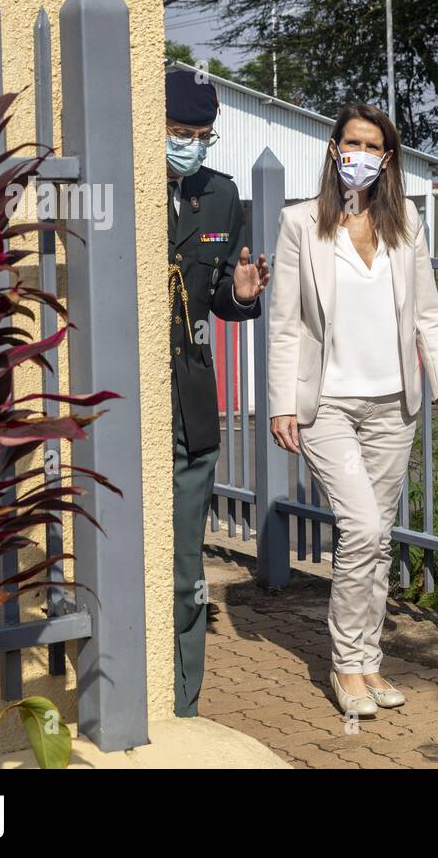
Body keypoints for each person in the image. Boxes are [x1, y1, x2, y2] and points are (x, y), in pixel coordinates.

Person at [266, 103, 438, 718]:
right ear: (333, 150)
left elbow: (428, 313)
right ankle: (345, 665)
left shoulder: (405, 219)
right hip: (325, 404)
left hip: (393, 404)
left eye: (372, 146)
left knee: (377, 543)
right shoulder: (301, 223)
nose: (360, 154)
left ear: (387, 157)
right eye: (351, 142)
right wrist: (280, 404)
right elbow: (283, 323)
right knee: (364, 529)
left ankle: (369, 661)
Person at [166, 69, 271, 717]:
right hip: (122, 405)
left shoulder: (222, 197)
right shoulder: (118, 186)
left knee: (185, 567)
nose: (195, 147)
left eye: (205, 136)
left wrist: (242, 294)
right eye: (182, 134)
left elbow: (219, 301)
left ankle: (183, 703)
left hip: (190, 404)